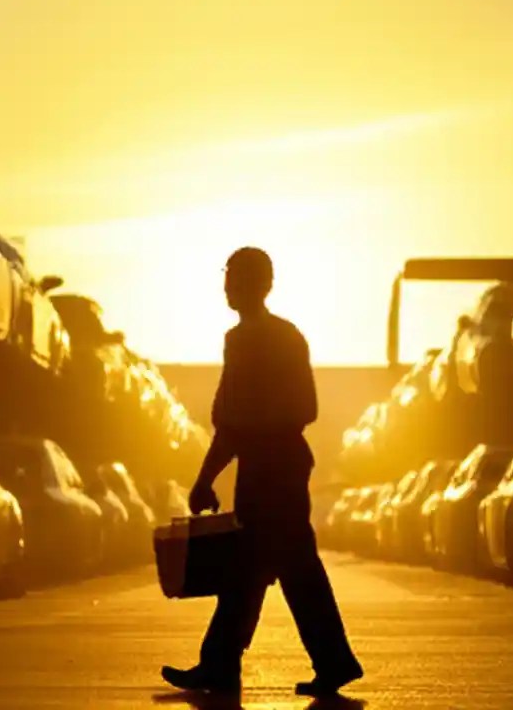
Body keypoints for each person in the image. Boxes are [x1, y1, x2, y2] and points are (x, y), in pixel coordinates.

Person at [161, 247, 363, 697]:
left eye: (234, 278)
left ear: (257, 284)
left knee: (266, 567)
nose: (227, 287)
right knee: (264, 568)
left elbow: (233, 420)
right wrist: (215, 468)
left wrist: (207, 476)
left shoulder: (249, 340)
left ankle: (230, 664)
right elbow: (247, 417)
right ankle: (316, 660)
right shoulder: (282, 336)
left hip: (272, 471)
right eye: (227, 277)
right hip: (280, 466)